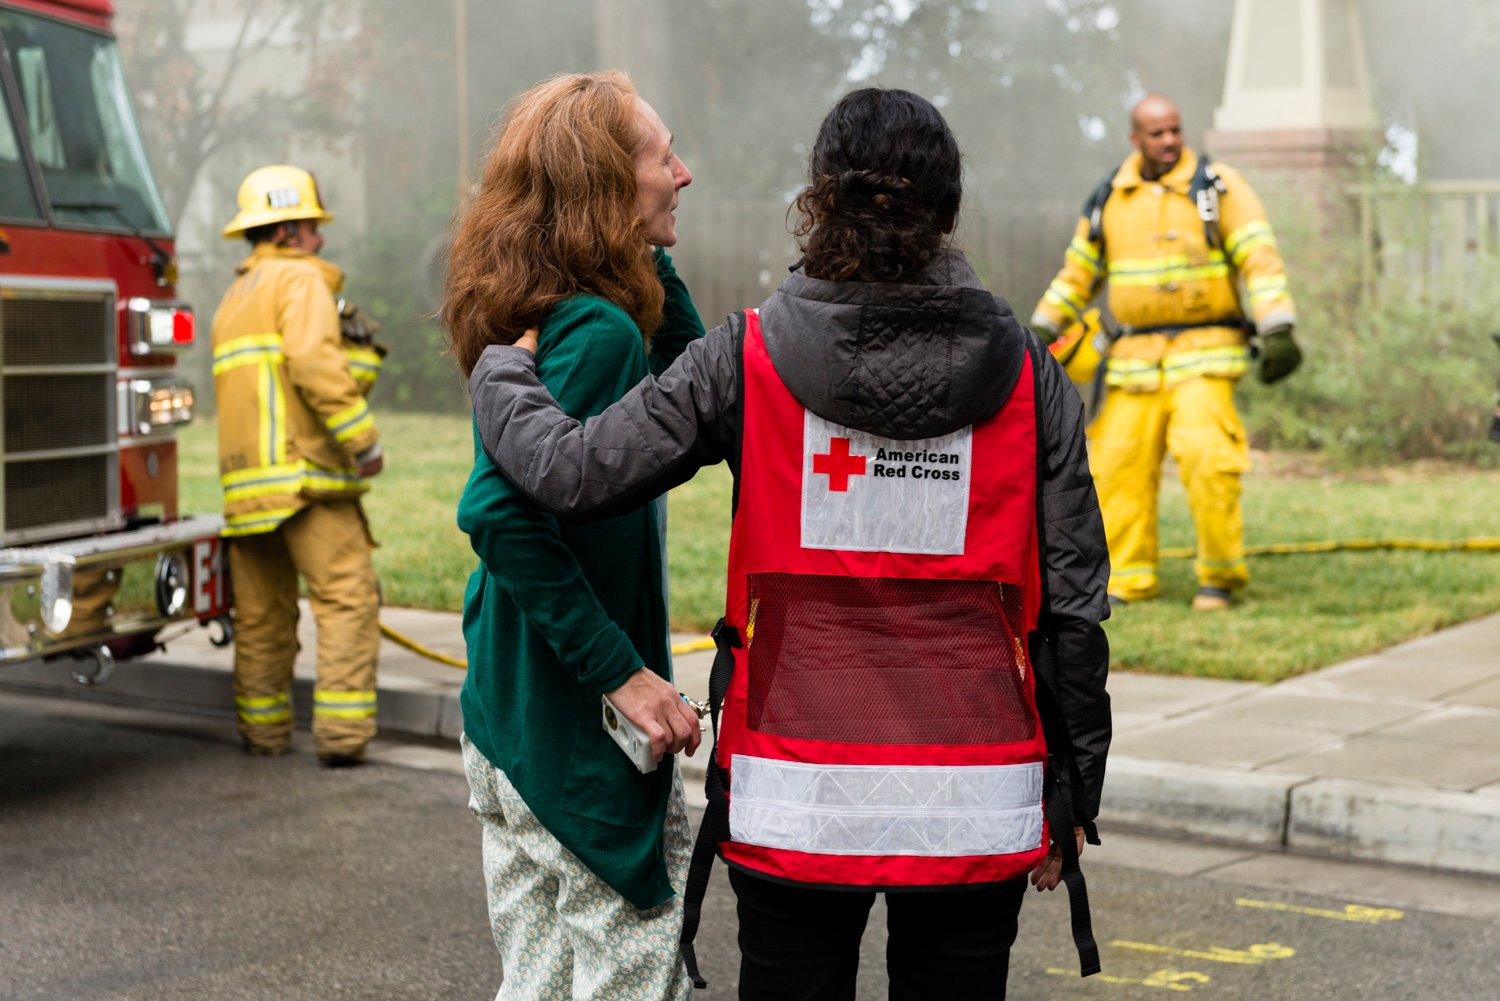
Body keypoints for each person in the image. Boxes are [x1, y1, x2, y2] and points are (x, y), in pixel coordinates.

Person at [468, 88, 1111, 1001]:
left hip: (796, 798)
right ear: (946, 210)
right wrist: (1074, 784)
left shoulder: (746, 360)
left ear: (819, 197)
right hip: (975, 796)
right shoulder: (1029, 375)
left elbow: (569, 470)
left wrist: (501, 365)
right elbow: (1077, 603)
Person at [441, 71, 703, 1000]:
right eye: (661, 158)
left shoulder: (544, 310)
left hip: (509, 714)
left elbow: (692, 373)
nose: (683, 173)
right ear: (604, 188)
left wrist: (640, 248)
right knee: (623, 980)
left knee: (539, 982)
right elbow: (500, 514)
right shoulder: (596, 333)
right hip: (576, 732)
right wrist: (625, 676)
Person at [1031, 94, 1301, 611]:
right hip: (1134, 360)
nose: (1170, 140)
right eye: (1157, 133)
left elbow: (1259, 259)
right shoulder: (1110, 196)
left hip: (1206, 352)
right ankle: (1129, 580)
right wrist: (1041, 330)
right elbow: (1078, 274)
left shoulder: (1218, 188)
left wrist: (1278, 328)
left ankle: (1218, 579)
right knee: (1117, 464)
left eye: (1175, 129)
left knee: (1208, 458)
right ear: (1136, 139)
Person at [211, 164, 384, 767]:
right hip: (307, 481)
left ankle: (264, 735)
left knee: (261, 617)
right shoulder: (301, 282)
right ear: (285, 231)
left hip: (247, 496)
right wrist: (363, 443)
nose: (320, 241)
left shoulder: (233, 298)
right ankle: (340, 740)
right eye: (311, 228)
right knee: (347, 601)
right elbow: (314, 367)